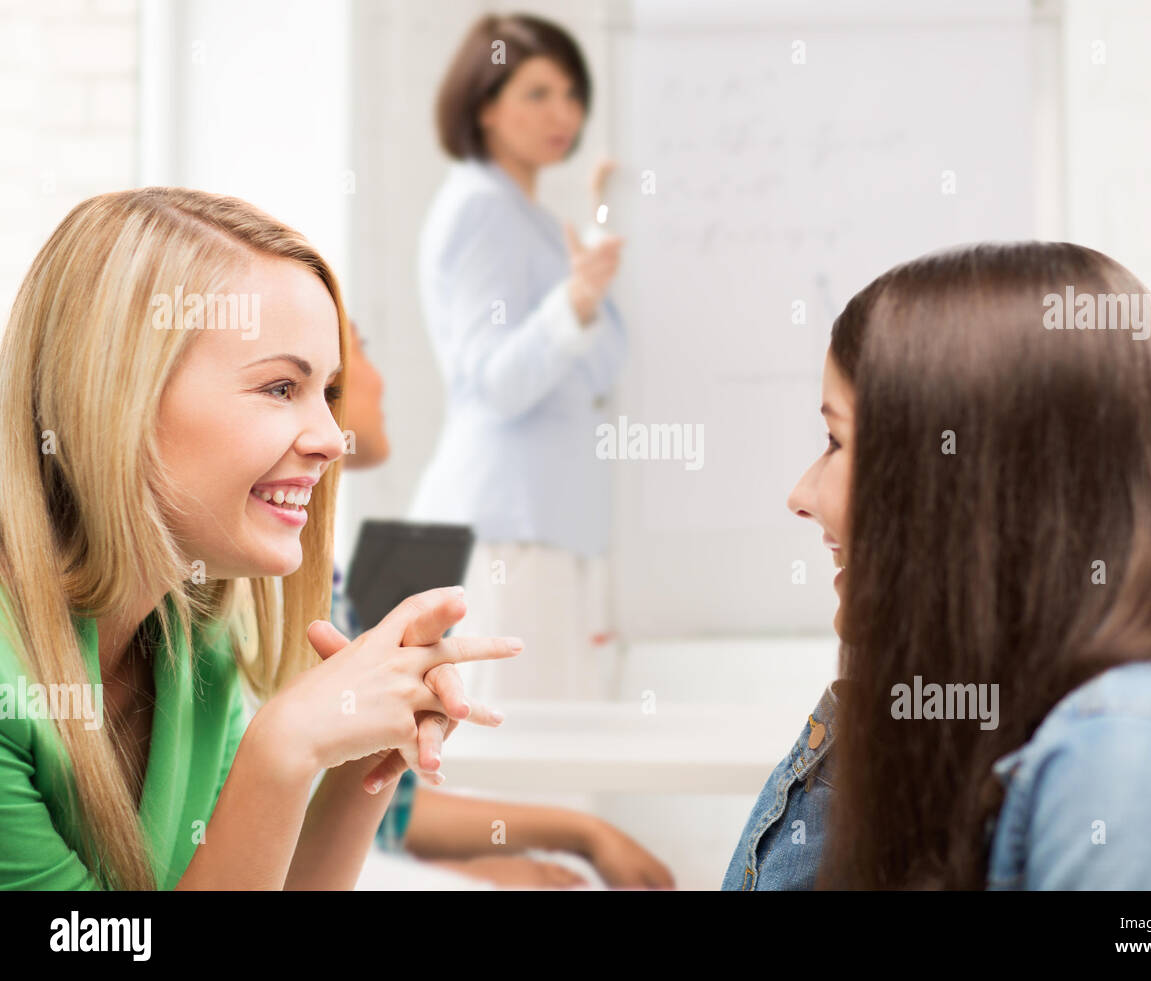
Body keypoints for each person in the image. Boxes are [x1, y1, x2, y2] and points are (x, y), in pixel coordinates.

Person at [729, 241, 1151, 890]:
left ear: (969, 480)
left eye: (836, 440)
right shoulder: (973, 717)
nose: (801, 494)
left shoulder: (1146, 753)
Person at [0, 187, 519, 890]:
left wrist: (358, 765)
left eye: (328, 393)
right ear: (120, 397)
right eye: (280, 388)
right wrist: (281, 747)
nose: (334, 440)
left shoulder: (195, 644)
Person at [336, 319, 673, 888]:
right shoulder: (262, 592)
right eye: (362, 350)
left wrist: (579, 834)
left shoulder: (327, 578)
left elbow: (380, 808)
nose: (380, 380)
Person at [409, 12, 626, 703]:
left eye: (570, 92)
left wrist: (588, 277)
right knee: (526, 763)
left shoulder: (527, 216)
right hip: (508, 531)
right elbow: (496, 382)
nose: (563, 112)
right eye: (537, 94)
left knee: (548, 761)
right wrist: (575, 303)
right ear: (485, 106)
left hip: (539, 529)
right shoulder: (482, 208)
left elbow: (594, 371)